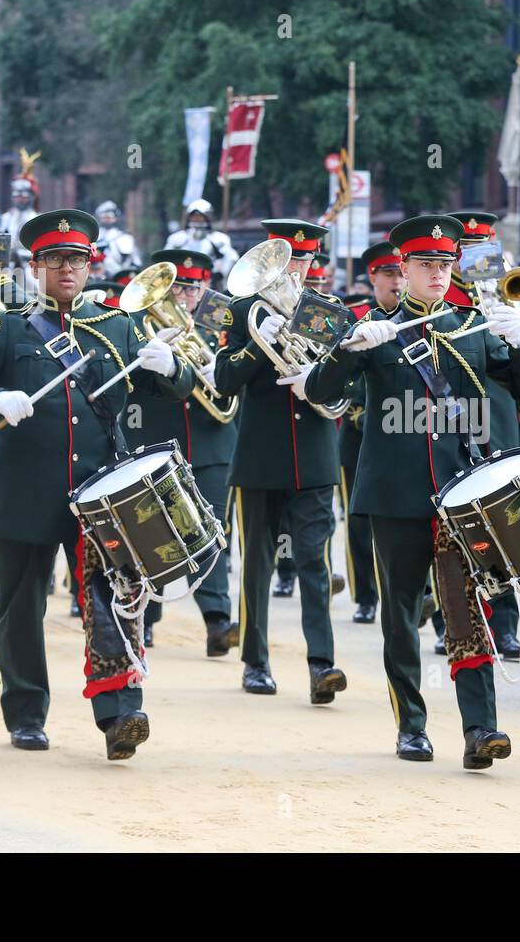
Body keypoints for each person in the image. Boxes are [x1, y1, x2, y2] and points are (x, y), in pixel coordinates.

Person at [0, 209, 194, 758]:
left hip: (101, 495)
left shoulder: (117, 326)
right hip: (23, 490)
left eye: (76, 259)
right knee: (20, 606)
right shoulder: (10, 328)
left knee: (114, 602)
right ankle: (27, 713)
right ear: (37, 267)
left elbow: (170, 392)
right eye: (55, 260)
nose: (67, 269)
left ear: (90, 263)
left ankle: (121, 713)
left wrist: (172, 368)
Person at [305, 213, 520, 767]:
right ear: (403, 268)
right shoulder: (376, 327)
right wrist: (350, 349)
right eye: (425, 264)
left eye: (445, 263)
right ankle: (411, 725)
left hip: (462, 493)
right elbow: (320, 389)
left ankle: (480, 728)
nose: (438, 273)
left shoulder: (475, 323)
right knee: (401, 614)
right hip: (397, 494)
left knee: (468, 610)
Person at [210, 218, 345, 702]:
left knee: (313, 560)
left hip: (312, 455)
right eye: (290, 259)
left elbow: (345, 387)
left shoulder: (326, 309)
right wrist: (254, 348)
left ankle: (322, 665)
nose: (296, 269)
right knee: (258, 563)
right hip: (261, 453)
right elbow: (224, 379)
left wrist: (317, 376)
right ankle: (254, 661)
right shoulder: (242, 309)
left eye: (305, 259)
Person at [126, 248, 237, 656]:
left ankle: (217, 620)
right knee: (154, 531)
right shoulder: (138, 323)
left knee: (212, 531)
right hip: (158, 439)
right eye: (180, 287)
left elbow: (243, 371)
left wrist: (222, 371)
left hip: (211, 441)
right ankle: (148, 617)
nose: (187, 295)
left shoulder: (220, 320)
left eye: (194, 286)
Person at [444, 209, 520, 659]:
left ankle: (506, 624)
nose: (478, 259)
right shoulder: (445, 300)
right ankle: (450, 618)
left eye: (485, 249)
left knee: (503, 529)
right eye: (470, 250)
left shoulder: (505, 295)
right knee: (456, 529)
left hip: (501, 419)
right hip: (455, 421)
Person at [338, 242, 405, 625]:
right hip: (360, 432)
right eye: (389, 274)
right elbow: (343, 377)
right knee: (360, 521)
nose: (397, 281)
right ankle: (365, 595)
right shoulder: (357, 319)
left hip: (410, 431)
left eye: (400, 273)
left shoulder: (424, 319)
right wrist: (365, 411)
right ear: (373, 279)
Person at [165, 199, 238, 281]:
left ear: (207, 217)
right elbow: (166, 259)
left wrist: (221, 272)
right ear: (189, 217)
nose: (197, 218)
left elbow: (231, 257)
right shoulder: (177, 238)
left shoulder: (219, 239)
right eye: (194, 215)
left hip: (210, 281)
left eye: (200, 216)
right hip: (182, 280)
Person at [93, 201, 142, 275]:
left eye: (110, 217)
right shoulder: (93, 236)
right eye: (105, 217)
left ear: (115, 218)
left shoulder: (126, 238)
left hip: (119, 277)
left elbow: (136, 263)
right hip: (95, 276)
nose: (107, 219)